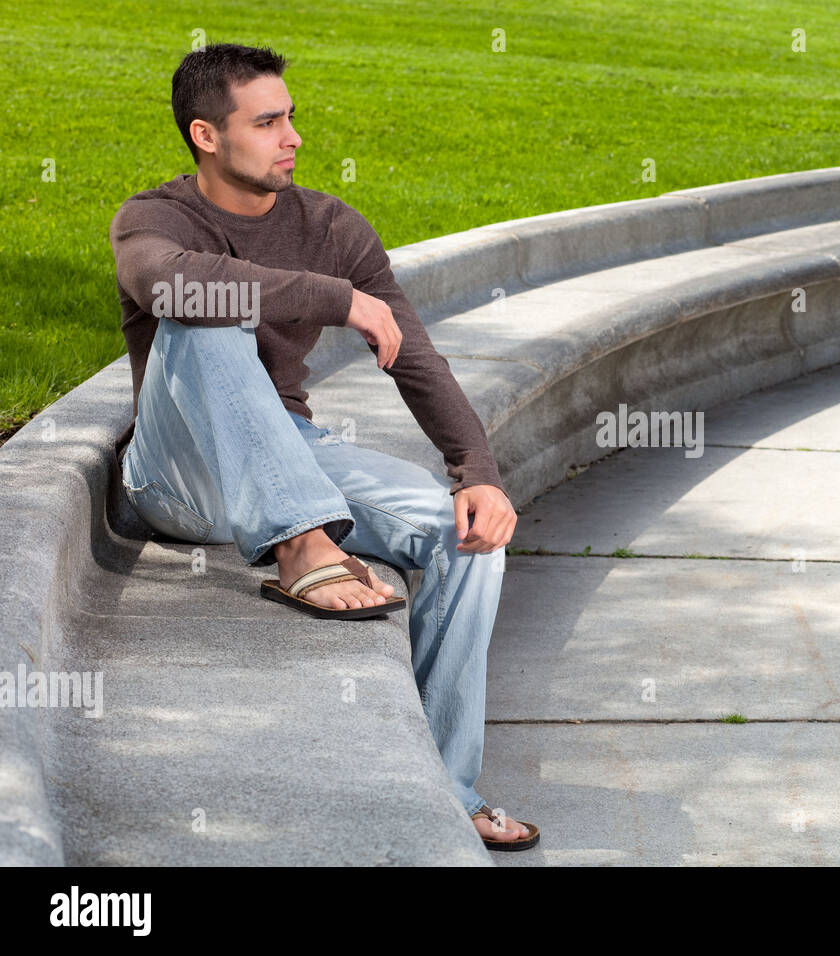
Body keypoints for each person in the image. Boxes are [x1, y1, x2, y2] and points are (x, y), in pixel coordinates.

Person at [108, 42, 537, 851]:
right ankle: (302, 547)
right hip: (178, 471)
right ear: (206, 135)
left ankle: (447, 788)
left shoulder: (332, 225)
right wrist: (335, 298)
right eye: (267, 122)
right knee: (207, 311)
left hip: (291, 450)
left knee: (470, 537)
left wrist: (476, 471)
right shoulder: (153, 219)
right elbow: (171, 288)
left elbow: (414, 356)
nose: (292, 137)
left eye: (291, 117)